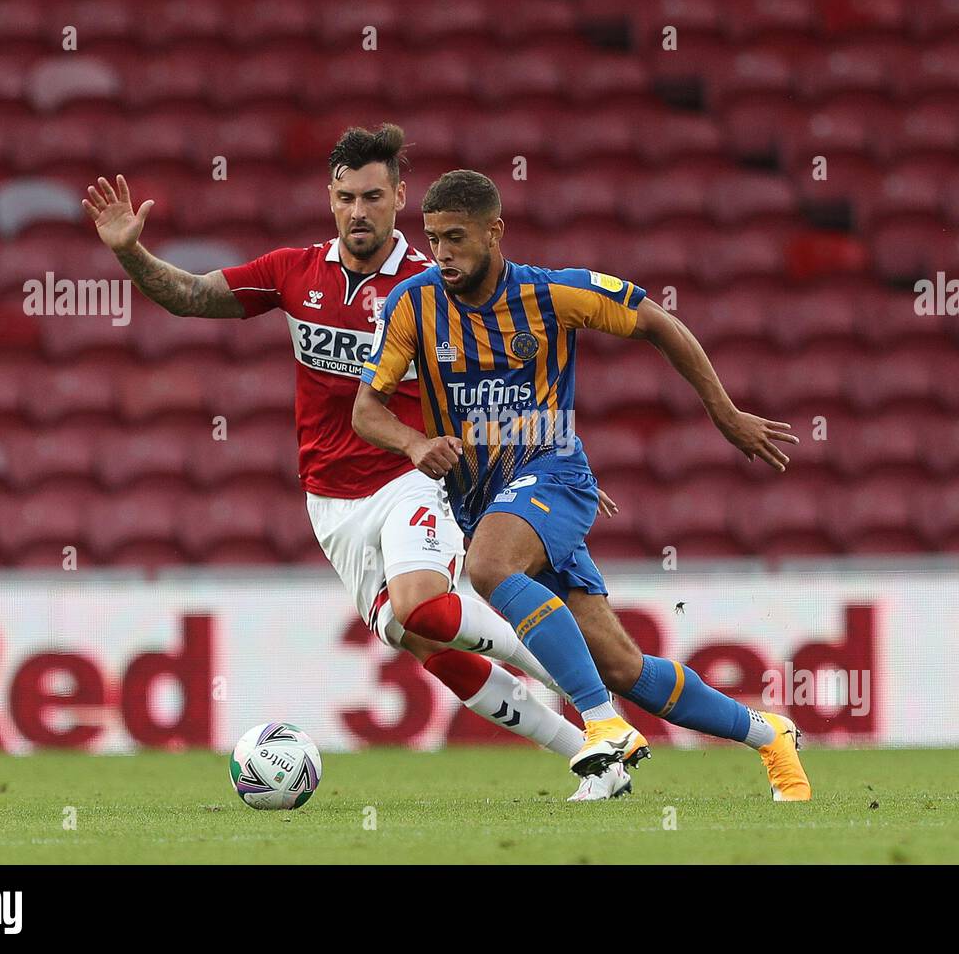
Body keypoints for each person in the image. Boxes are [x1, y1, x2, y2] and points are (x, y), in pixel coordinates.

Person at [82, 125, 630, 800]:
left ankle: (589, 697)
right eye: (346, 197)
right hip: (331, 500)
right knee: (422, 643)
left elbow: (510, 370)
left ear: (400, 196)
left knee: (421, 608)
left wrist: (550, 455)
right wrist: (132, 254)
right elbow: (191, 296)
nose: (359, 211)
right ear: (330, 199)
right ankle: (593, 755)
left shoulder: (434, 284)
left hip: (413, 477)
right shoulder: (295, 273)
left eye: (373, 196)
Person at [354, 169, 811, 799]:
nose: (442, 254)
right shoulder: (414, 304)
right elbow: (366, 410)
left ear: (495, 233)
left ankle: (602, 727)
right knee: (624, 667)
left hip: (554, 474)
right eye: (433, 239)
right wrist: (413, 442)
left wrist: (724, 413)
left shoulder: (553, 294)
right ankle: (769, 734)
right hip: (489, 501)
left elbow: (658, 323)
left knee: (487, 567)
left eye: (456, 238)